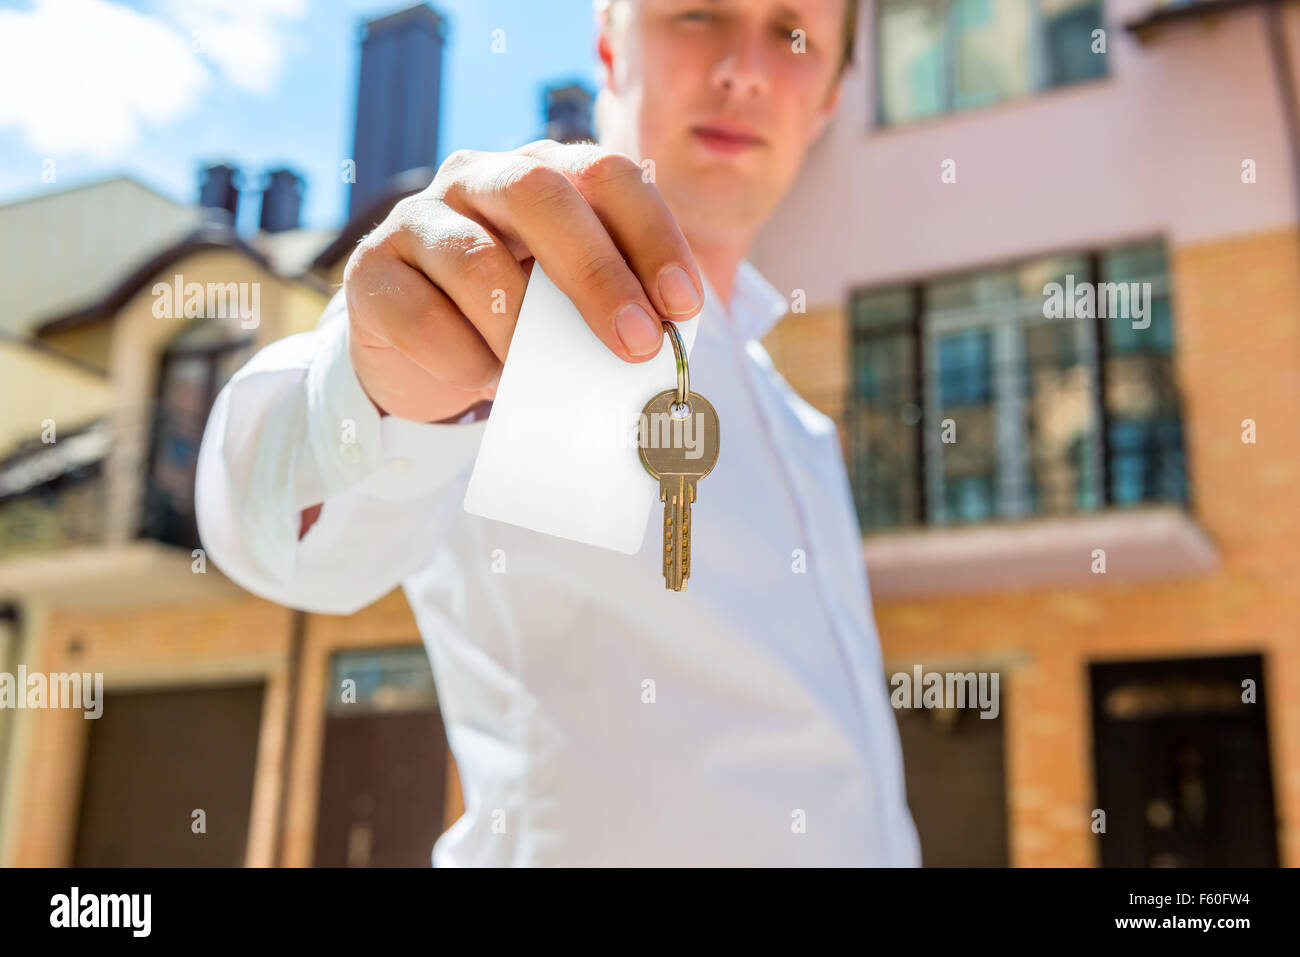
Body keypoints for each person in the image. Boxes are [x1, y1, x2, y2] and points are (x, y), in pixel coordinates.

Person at [196, 0, 921, 866]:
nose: (743, 70)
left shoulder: (802, 429)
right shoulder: (519, 297)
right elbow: (281, 530)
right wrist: (373, 387)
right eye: (699, 15)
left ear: (834, 96)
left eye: (794, 36)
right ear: (611, 44)